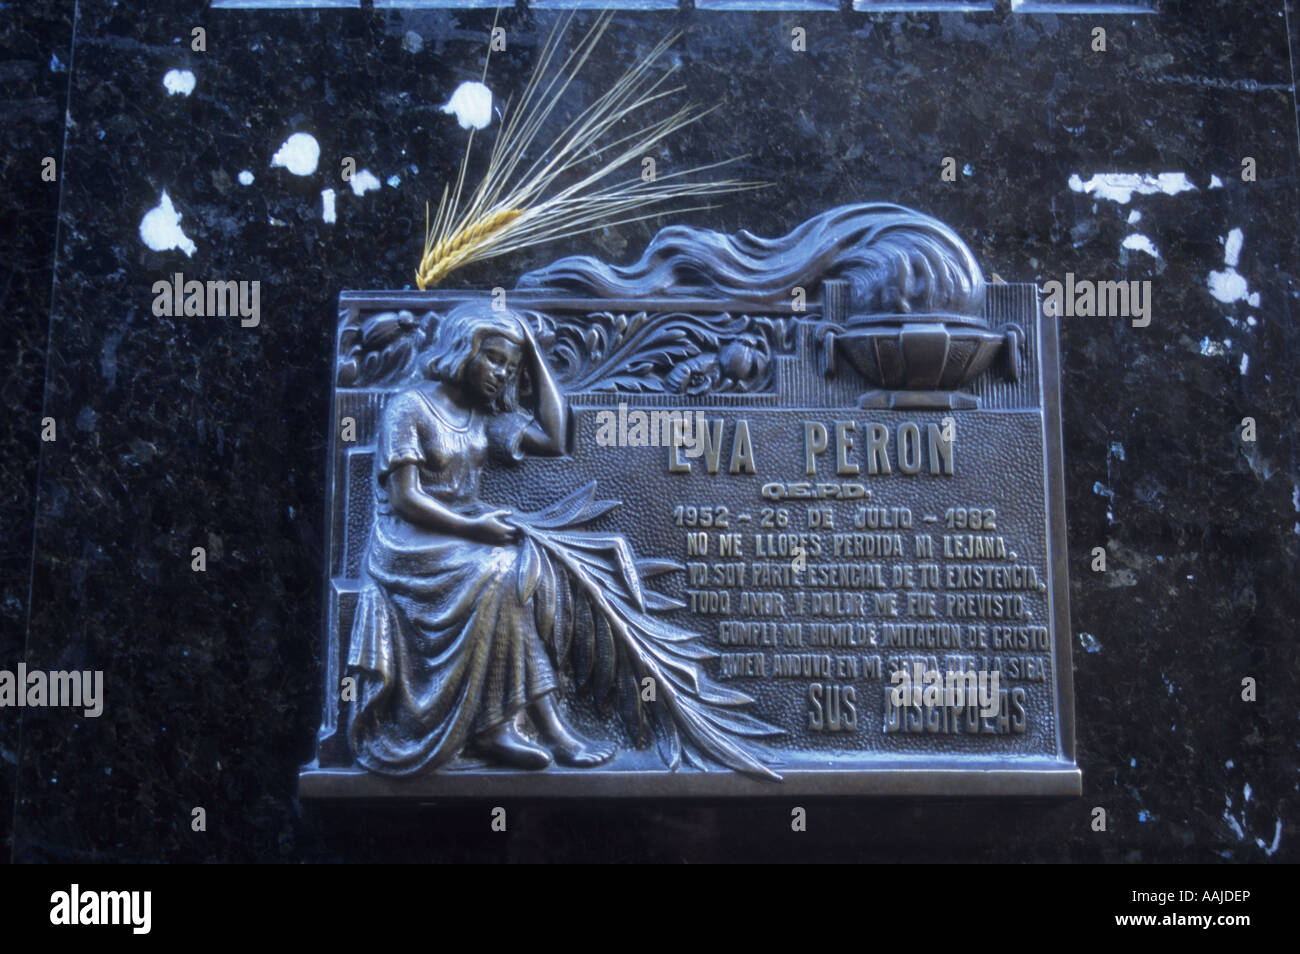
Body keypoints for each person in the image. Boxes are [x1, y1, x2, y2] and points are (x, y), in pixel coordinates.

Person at [347, 301, 616, 775]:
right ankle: (521, 729)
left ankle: (518, 725)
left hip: (462, 540)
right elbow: (406, 498)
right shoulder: (410, 407)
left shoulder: (480, 418)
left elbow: (556, 437)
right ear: (462, 349)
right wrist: (475, 528)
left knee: (520, 570)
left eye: (510, 368)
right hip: (406, 542)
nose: (502, 374)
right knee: (498, 571)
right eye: (494, 359)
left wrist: (532, 352)